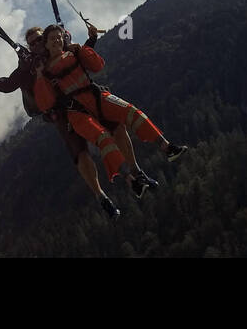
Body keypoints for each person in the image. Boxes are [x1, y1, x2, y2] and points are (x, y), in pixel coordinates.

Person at [0, 24, 136, 219]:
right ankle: (101, 196)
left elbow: (82, 57)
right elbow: (8, 85)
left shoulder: (62, 46)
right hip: (63, 114)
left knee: (117, 127)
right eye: (31, 43)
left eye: (38, 39)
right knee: (80, 153)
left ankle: (135, 172)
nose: (36, 44)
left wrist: (92, 39)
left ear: (45, 39)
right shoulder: (28, 67)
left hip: (87, 100)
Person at [33, 24, 185, 198]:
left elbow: (97, 65)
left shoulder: (74, 53)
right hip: (76, 111)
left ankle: (166, 147)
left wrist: (81, 49)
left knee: (130, 111)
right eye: (52, 38)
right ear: (45, 44)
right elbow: (45, 103)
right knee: (103, 138)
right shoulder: (45, 72)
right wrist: (38, 76)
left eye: (59, 37)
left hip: (95, 95)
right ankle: (131, 180)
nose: (57, 41)